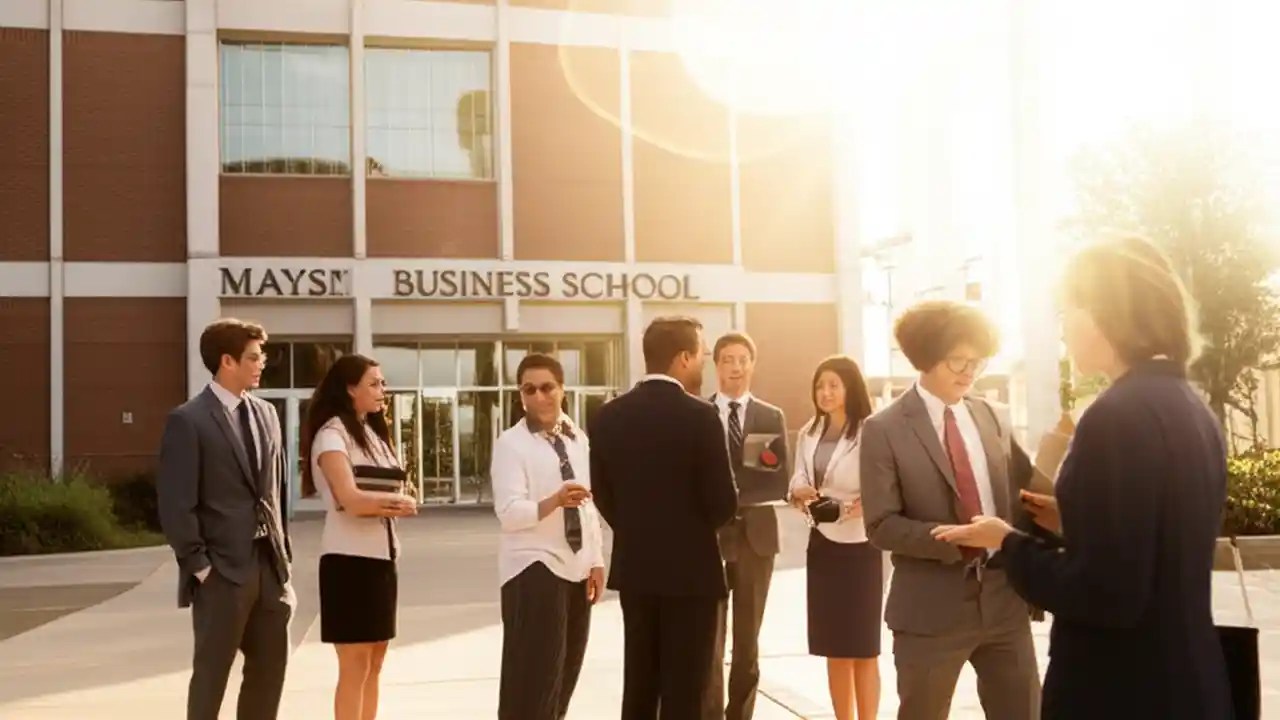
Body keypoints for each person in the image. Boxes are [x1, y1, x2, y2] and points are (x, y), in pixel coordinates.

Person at [932, 235, 1234, 719]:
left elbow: (1106, 593)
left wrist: (1007, 542)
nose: (1063, 329)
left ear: (1106, 312)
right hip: (1187, 679)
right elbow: (1154, 544)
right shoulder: (1192, 409)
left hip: (1120, 687)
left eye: (1068, 310)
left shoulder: (1116, 416)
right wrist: (1077, 521)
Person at [859, 300, 1042, 720]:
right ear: (925, 357)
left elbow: (1025, 495)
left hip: (1003, 602)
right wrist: (952, 539)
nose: (967, 371)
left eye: (975, 361)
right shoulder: (883, 429)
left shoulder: (995, 417)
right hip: (929, 609)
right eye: (956, 360)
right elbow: (881, 525)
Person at [589, 316, 738, 720]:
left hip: (637, 570)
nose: (703, 362)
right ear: (684, 358)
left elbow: (603, 495)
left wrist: (639, 528)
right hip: (693, 575)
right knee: (686, 690)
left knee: (639, 683)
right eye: (702, 354)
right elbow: (723, 502)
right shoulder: (702, 416)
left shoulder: (607, 416)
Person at [157, 318, 294, 720]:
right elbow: (175, 502)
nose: (261, 364)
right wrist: (199, 567)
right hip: (221, 574)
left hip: (269, 568)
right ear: (226, 361)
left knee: (269, 674)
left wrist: (283, 558)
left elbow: (275, 490)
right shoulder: (189, 420)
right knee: (211, 677)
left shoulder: (268, 413)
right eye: (254, 357)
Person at [301, 353, 417, 720]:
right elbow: (350, 499)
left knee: (376, 661)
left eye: (382, 382)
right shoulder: (332, 435)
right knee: (355, 665)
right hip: (348, 563)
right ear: (350, 389)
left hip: (383, 560)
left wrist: (396, 499)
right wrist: (396, 502)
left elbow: (393, 487)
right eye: (374, 383)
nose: (383, 390)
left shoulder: (373, 434)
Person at [492, 353, 607, 720]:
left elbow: (589, 507)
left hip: (575, 571)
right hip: (532, 567)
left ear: (562, 390)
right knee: (532, 683)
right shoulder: (511, 445)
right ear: (520, 395)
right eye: (529, 389)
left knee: (564, 676)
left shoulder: (578, 439)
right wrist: (554, 502)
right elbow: (509, 513)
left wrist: (596, 560)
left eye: (547, 388)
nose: (539, 396)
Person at [788, 355, 881, 720]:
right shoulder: (808, 431)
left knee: (863, 647)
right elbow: (797, 476)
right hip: (822, 544)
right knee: (834, 646)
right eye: (819, 386)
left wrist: (847, 510)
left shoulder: (871, 431)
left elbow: (883, 487)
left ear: (849, 388)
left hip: (860, 546)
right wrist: (800, 491)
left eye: (832, 385)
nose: (824, 393)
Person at [704, 332, 789, 720]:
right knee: (709, 639)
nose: (735, 368)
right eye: (727, 360)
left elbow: (771, 478)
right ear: (715, 365)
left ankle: (740, 714)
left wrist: (725, 494)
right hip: (708, 542)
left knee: (747, 642)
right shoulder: (699, 415)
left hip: (756, 540)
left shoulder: (768, 417)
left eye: (742, 360)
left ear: (752, 364)